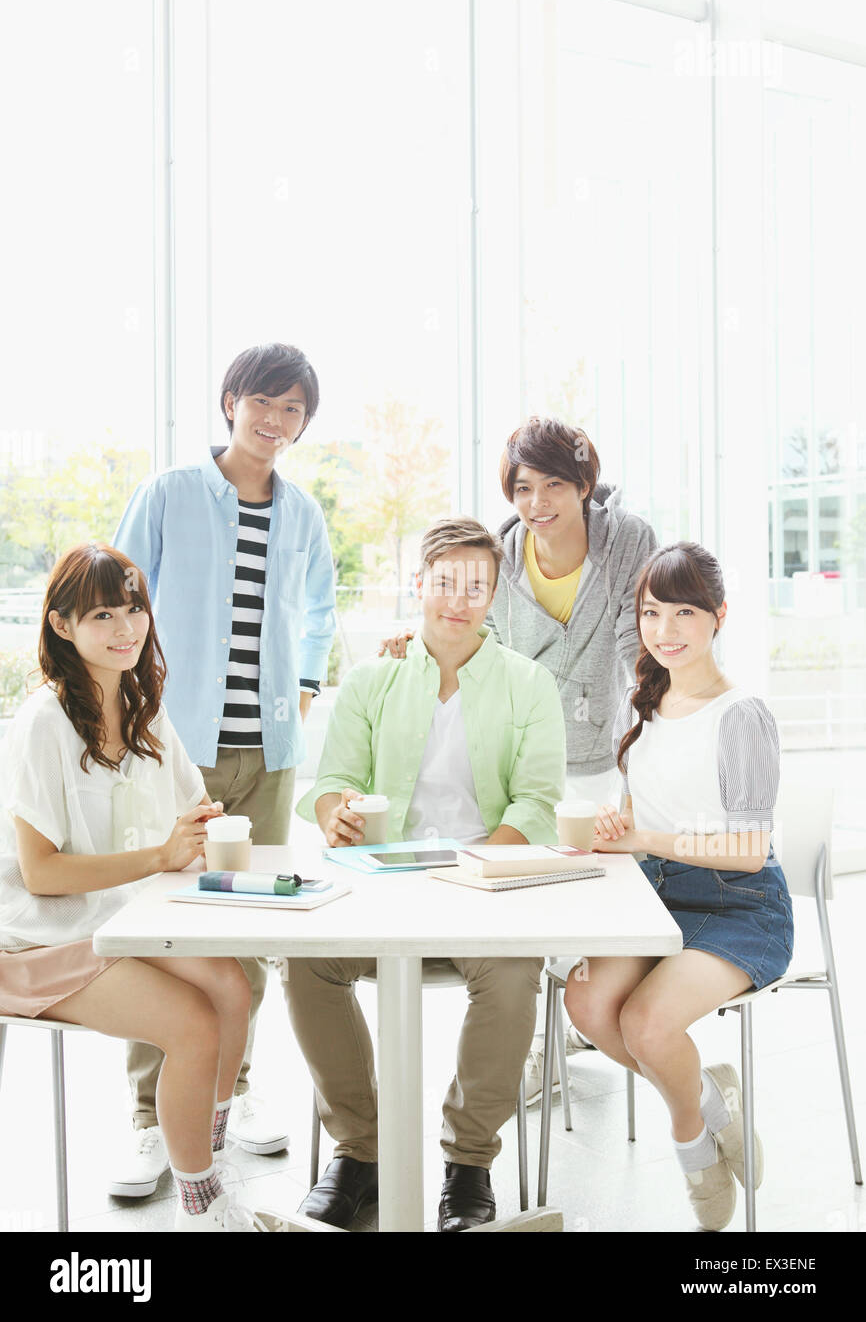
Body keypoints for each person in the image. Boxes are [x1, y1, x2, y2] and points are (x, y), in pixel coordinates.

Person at [284, 517, 566, 1232]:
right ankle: (360, 1152)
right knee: (307, 963)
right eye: (445, 583)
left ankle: (469, 1161)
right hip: (383, 885)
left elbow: (538, 801)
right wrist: (337, 813)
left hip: (484, 879)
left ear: (495, 595)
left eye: (477, 587)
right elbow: (331, 782)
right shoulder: (373, 680)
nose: (459, 600)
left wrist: (478, 869)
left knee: (509, 976)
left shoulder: (529, 683)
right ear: (420, 585)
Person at [0, 544, 290, 1231]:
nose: (126, 627)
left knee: (230, 985)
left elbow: (191, 808)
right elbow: (41, 873)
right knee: (193, 1025)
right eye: (103, 613)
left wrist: (196, 833)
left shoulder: (142, 709)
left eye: (133, 608)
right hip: (37, 942)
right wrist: (160, 856)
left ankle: (206, 1164)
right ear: (63, 626)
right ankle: (200, 1202)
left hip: (115, 917)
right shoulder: (43, 721)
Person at [112, 341, 336, 1194]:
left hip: (268, 755)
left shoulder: (302, 512)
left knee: (248, 929)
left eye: (292, 411)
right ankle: (147, 1114)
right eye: (263, 403)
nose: (274, 423)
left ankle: (232, 1093)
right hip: (176, 752)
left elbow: (319, 605)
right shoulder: (170, 493)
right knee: (162, 929)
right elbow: (122, 596)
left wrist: (306, 685)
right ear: (231, 400)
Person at [380, 416, 658, 1095]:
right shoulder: (501, 556)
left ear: (586, 483)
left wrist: (647, 738)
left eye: (554, 484)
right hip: (524, 747)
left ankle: (577, 1026)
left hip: (603, 751)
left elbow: (637, 641)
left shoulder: (629, 540)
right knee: (527, 896)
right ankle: (541, 1042)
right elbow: (487, 652)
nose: (537, 504)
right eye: (522, 487)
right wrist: (417, 647)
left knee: (590, 904)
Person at [565, 541, 793, 1231]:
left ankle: (694, 1150)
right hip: (653, 896)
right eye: (650, 612)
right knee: (587, 1004)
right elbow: (650, 815)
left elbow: (749, 853)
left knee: (646, 1022)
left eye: (684, 612)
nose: (664, 630)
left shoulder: (741, 716)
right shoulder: (650, 705)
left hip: (738, 903)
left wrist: (646, 840)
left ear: (719, 616)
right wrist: (620, 827)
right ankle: (712, 1102)